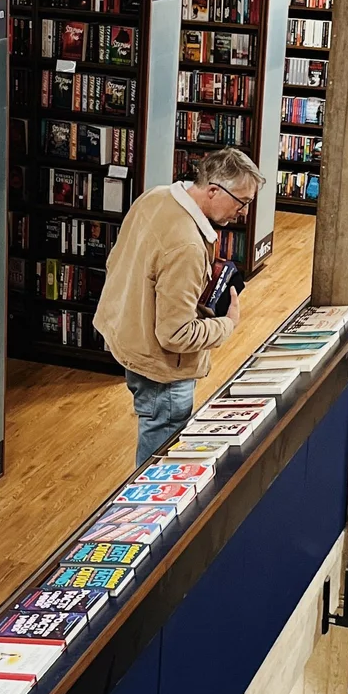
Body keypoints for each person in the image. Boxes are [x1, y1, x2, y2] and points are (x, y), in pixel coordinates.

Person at [93, 146, 256, 464]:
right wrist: (227, 324)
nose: (245, 213)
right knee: (159, 461)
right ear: (213, 190)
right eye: (243, 202)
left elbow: (118, 261)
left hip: (130, 339)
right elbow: (175, 335)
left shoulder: (156, 197)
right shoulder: (187, 245)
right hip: (164, 369)